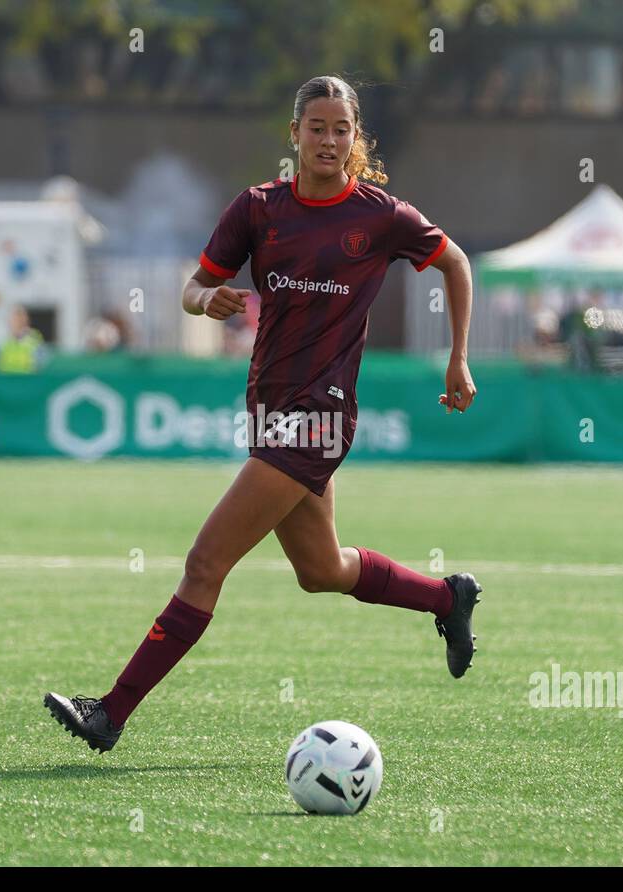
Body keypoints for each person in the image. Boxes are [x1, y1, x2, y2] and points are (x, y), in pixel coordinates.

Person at [44, 75, 482, 754]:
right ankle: (447, 598)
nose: (330, 140)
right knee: (323, 570)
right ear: (295, 135)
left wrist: (458, 358)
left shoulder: (381, 216)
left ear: (355, 138)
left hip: (319, 417)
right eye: (317, 127)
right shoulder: (258, 209)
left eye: (342, 129)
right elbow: (196, 285)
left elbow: (454, 262)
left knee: (205, 561)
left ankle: (109, 714)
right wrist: (203, 302)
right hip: (270, 411)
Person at [0, 304, 46, 373]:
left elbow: (42, 364)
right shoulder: (2, 342)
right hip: (6, 380)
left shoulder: (35, 339)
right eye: (14, 319)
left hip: (27, 380)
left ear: (26, 320)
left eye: (20, 318)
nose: (17, 322)